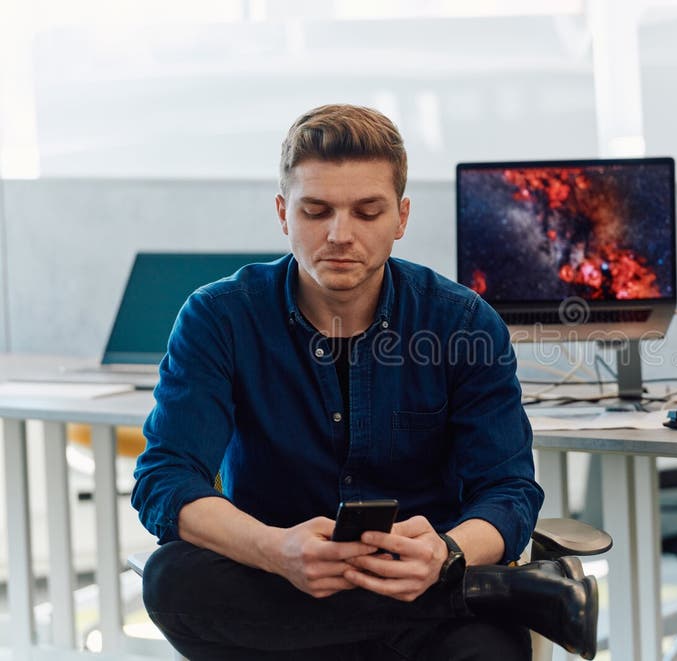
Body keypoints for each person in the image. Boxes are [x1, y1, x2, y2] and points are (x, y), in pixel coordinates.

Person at [131, 104, 597, 661]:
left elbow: (509, 492)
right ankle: (497, 592)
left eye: (367, 212)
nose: (339, 234)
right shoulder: (218, 318)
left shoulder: (464, 323)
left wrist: (447, 553)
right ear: (284, 213)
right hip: (280, 590)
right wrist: (277, 549)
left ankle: (447, 595)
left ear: (401, 218)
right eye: (316, 210)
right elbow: (166, 479)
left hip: (421, 588)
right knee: (170, 578)